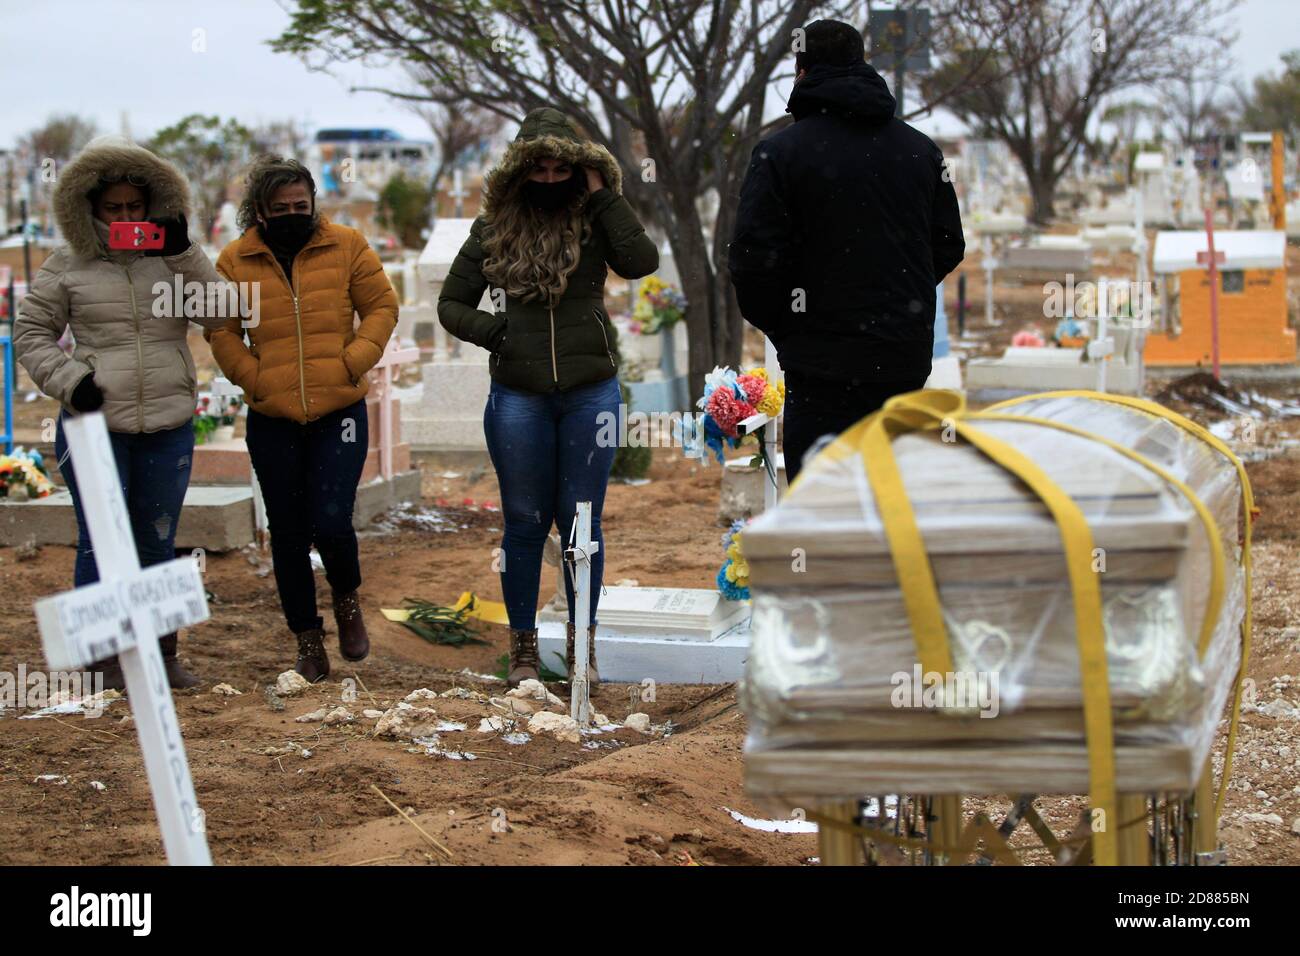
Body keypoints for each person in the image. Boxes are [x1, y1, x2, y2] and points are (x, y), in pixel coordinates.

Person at [438, 107, 658, 689]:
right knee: (525, 523)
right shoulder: (492, 229)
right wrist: (499, 334)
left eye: (566, 169)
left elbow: (641, 262)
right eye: (540, 168)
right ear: (518, 171)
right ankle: (524, 652)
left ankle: (583, 646)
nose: (553, 179)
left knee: (582, 524)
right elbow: (451, 305)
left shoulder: (592, 222)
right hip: (519, 397)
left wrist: (603, 195)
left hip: (591, 395)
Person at [15, 135, 232, 690]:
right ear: (90, 209)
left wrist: (184, 251)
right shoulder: (66, 264)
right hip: (94, 425)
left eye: (135, 207)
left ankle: (162, 653)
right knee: (101, 540)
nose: (126, 217)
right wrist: (70, 382)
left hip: (168, 424)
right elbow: (32, 331)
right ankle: (103, 660)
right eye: (114, 208)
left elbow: (223, 313)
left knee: (158, 539)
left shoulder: (173, 257)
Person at [728, 19, 965, 482]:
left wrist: (787, 325)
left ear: (801, 72)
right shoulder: (920, 151)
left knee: (821, 503)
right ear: (862, 65)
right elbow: (948, 244)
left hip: (819, 365)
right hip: (901, 357)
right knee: (893, 495)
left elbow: (753, 258)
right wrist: (899, 296)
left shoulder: (780, 153)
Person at [206, 157, 398, 682]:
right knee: (287, 532)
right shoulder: (234, 260)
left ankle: (347, 598)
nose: (293, 214)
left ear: (313, 203)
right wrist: (256, 378)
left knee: (333, 519)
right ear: (260, 211)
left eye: (301, 206)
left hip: (339, 409)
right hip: (273, 415)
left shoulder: (347, 245)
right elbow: (221, 332)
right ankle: (307, 639)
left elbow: (381, 306)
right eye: (280, 209)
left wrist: (351, 361)